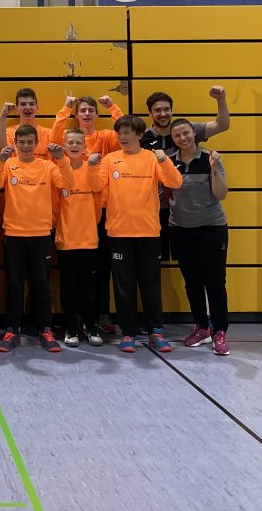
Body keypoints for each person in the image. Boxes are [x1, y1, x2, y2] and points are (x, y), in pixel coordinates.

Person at [88, 115, 183, 354]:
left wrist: (165, 162)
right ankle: (128, 332)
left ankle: (156, 332)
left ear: (139, 135)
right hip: (118, 233)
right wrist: (91, 167)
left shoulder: (152, 158)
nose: (122, 137)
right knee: (123, 286)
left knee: (151, 285)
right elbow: (96, 187)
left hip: (149, 233)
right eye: (119, 133)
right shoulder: (110, 160)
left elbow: (176, 182)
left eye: (127, 132)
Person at [0, 126, 72, 353]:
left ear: (37, 143)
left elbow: (69, 185)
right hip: (14, 235)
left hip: (41, 234)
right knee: (14, 285)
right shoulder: (8, 165)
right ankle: (12, 330)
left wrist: (62, 160)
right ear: (15, 143)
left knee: (42, 286)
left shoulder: (48, 166)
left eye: (30, 142)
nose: (26, 146)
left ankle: (45, 329)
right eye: (22, 142)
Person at [52, 95, 123, 336]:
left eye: (91, 110)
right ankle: (75, 322)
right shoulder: (62, 160)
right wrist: (65, 108)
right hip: (71, 226)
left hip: (98, 218)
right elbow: (54, 142)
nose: (87, 114)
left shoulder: (104, 137)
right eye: (82, 110)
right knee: (71, 279)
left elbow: (125, 131)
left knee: (98, 273)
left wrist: (112, 107)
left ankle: (97, 317)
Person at [141, 87, 230, 261]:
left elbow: (222, 125)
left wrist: (221, 100)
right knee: (158, 262)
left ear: (172, 110)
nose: (163, 113)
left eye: (166, 109)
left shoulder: (188, 130)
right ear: (150, 113)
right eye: (157, 110)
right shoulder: (142, 138)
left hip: (184, 210)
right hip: (156, 210)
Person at [169, 118, 231, 356]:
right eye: (177, 136)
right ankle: (202, 327)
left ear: (194, 134)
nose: (183, 138)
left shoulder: (210, 158)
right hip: (180, 230)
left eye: (186, 134)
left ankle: (220, 332)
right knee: (192, 282)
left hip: (211, 228)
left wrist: (215, 167)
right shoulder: (170, 162)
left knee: (215, 282)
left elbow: (221, 194)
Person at [55, 127, 104, 348]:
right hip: (66, 239)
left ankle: (91, 325)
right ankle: (71, 326)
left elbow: (97, 196)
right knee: (69, 286)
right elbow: (54, 206)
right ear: (64, 147)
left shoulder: (93, 168)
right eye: (70, 143)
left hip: (88, 239)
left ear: (85, 147)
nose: (74, 146)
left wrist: (88, 226)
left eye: (78, 143)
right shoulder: (57, 171)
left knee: (89, 287)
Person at [0, 88, 62, 161]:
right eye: (23, 104)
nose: (28, 107)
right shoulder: (9, 132)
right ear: (17, 109)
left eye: (31, 104)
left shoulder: (48, 134)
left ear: (37, 108)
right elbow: (2, 154)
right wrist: (3, 117)